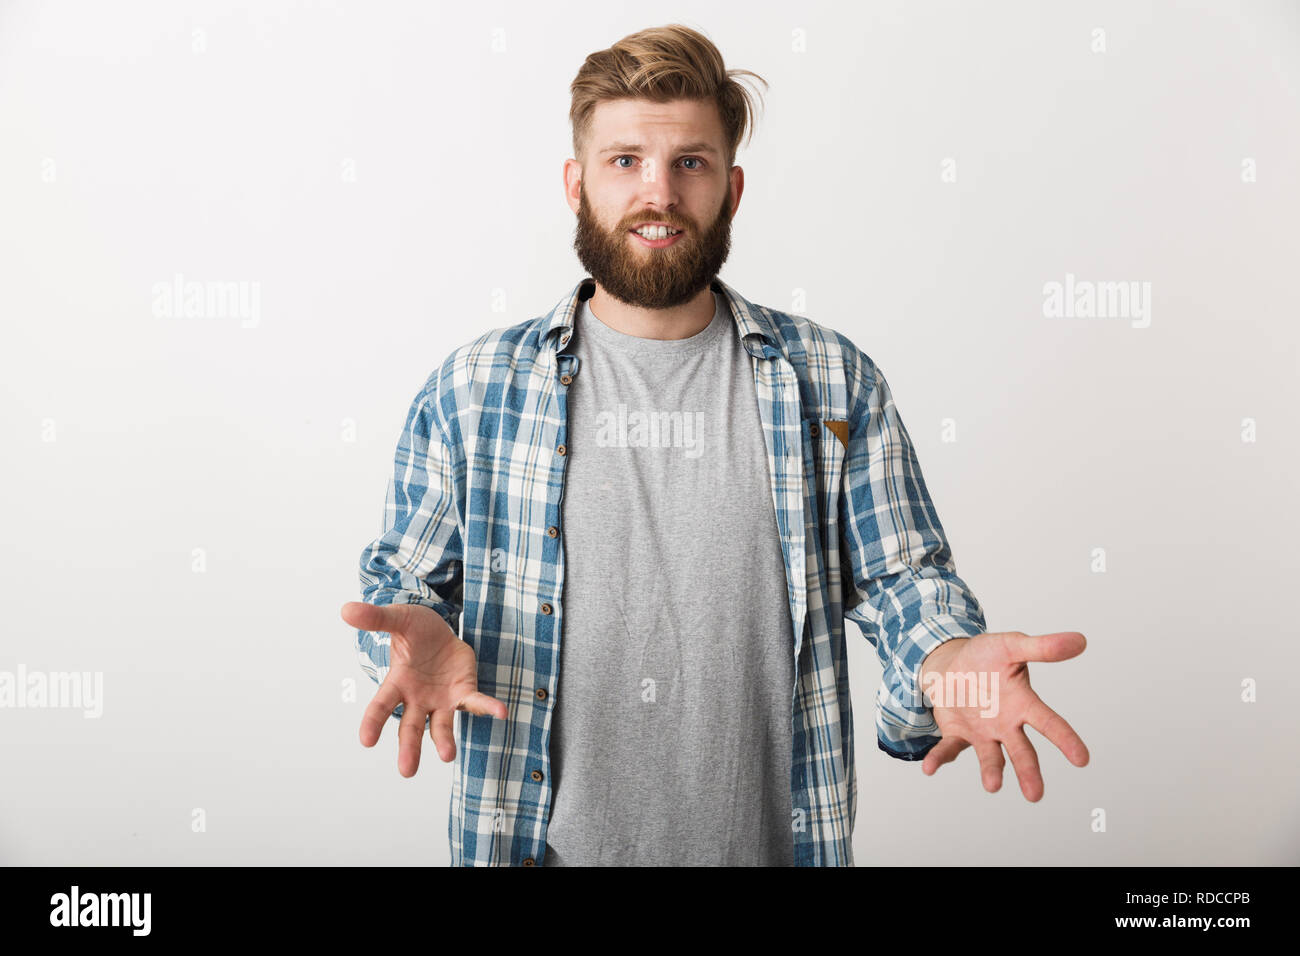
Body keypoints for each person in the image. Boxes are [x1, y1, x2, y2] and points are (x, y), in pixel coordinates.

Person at [341, 23, 1089, 867]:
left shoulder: (832, 383)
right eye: (624, 161)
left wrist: (951, 660)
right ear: (574, 183)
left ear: (731, 189)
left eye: (688, 163)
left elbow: (902, 580)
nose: (657, 193)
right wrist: (406, 643)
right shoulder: (472, 389)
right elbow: (400, 589)